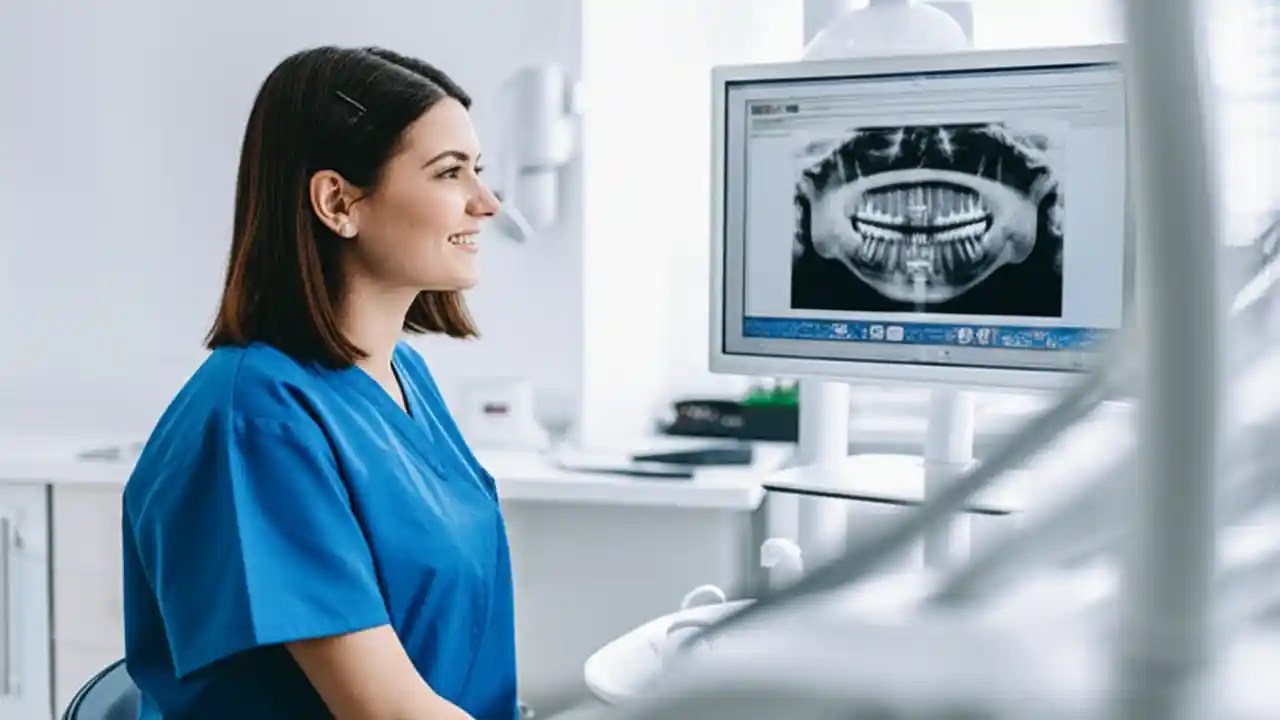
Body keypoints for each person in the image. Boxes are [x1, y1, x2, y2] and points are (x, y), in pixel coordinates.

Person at [120, 46, 517, 720]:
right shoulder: (259, 420)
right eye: (451, 173)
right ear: (338, 202)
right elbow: (386, 712)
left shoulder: (402, 376)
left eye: (477, 170)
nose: (487, 202)